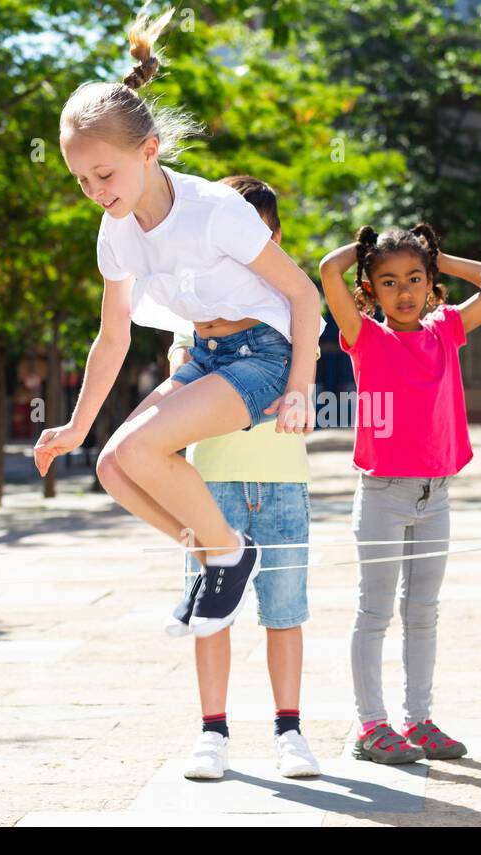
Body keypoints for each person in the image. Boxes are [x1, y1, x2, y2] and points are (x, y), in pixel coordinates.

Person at [33, 10, 322, 636]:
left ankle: (226, 554)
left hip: (267, 354)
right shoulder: (114, 234)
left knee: (143, 447)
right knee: (113, 465)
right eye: (80, 179)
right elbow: (112, 339)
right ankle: (214, 555)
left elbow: (303, 295)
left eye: (104, 174)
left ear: (149, 149)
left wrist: (301, 386)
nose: (94, 190)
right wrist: (76, 428)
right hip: (208, 356)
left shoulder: (214, 210)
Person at [320, 222, 481, 765]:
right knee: (375, 611)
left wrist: (437, 255)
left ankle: (419, 720)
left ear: (431, 283)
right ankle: (371, 726)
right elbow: (328, 271)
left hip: (437, 496)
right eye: (387, 282)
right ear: (370, 290)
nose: (404, 293)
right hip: (383, 494)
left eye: (414, 279)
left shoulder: (445, 329)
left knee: (424, 611)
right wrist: (363, 250)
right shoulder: (364, 337)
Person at [167, 175, 321, 780]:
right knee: (213, 609)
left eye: (254, 237)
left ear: (274, 239)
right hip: (210, 485)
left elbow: (299, 381)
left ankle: (290, 729)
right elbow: (185, 377)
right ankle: (212, 732)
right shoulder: (198, 318)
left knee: (286, 611)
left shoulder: (293, 310)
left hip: (284, 483)